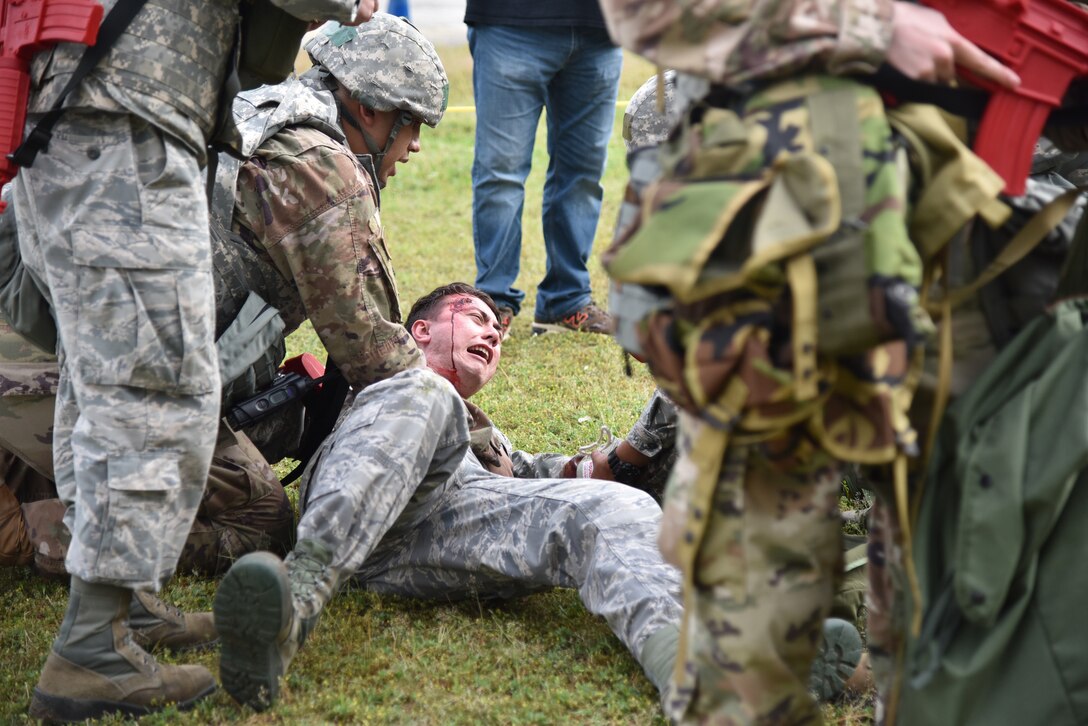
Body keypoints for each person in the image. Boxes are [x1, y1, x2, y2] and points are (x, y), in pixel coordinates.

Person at [594, 0, 1026, 723]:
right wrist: (873, 28)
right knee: (757, 605)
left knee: (967, 566)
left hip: (996, 250)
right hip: (793, 236)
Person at [10, 0, 373, 721]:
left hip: (88, 107)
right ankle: (90, 651)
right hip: (126, 114)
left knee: (106, 376)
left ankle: (129, 608)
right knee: (159, 385)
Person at [1, 10, 449, 584]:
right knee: (259, 516)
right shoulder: (325, 171)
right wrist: (488, 448)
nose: (413, 148)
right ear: (370, 109)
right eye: (412, 126)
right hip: (76, 367)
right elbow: (382, 363)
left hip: (45, 331)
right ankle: (23, 533)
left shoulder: (256, 108)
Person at [213, 282, 686, 711]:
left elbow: (590, 476)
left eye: (497, 334)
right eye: (476, 319)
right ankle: (293, 602)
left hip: (444, 533)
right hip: (360, 507)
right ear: (420, 331)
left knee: (620, 507)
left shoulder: (488, 438)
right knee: (427, 389)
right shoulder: (381, 382)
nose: (493, 336)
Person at [464, 0, 622, 339]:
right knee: (501, 174)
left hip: (602, 27)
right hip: (508, 20)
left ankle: (566, 301)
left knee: (584, 173)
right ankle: (493, 301)